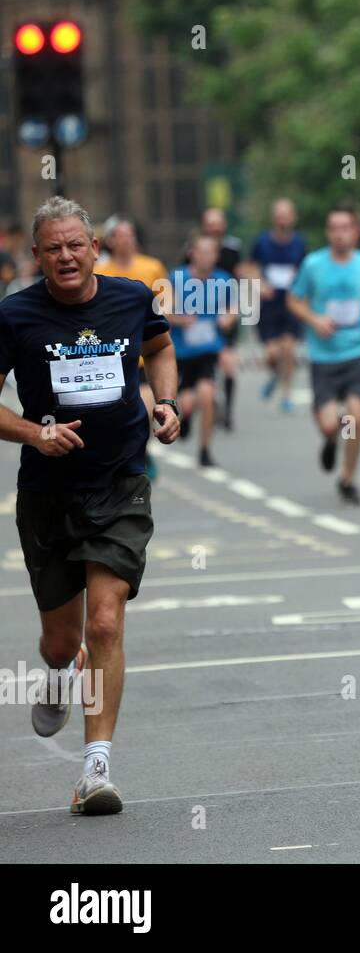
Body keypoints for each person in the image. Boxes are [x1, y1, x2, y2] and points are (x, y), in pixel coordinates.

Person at [0, 196, 180, 814]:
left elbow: (158, 348)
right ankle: (56, 670)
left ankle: (94, 772)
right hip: (48, 493)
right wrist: (35, 433)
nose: (66, 256)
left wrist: (167, 403)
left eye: (76, 244)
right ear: (37, 257)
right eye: (53, 248)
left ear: (95, 248)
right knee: (61, 640)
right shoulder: (16, 315)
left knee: (105, 622)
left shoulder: (132, 298)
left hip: (120, 482)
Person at [288, 204, 360, 505]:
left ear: (355, 231)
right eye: (334, 228)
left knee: (356, 416)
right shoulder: (313, 264)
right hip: (323, 356)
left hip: (357, 351)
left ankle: (347, 478)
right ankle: (331, 439)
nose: (339, 234)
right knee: (331, 424)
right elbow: (293, 300)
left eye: (345, 228)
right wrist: (315, 320)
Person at [95, 216, 170, 480]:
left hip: (142, 356)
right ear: (111, 241)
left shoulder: (152, 267)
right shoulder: (101, 270)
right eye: (120, 235)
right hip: (111, 357)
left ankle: (143, 452)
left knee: (147, 405)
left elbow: (165, 305)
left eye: (130, 235)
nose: (126, 240)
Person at [169, 235, 237, 467]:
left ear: (216, 256)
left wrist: (229, 317)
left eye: (210, 252)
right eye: (201, 251)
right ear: (192, 253)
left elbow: (234, 306)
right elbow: (162, 309)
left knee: (207, 395)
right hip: (183, 352)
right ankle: (185, 415)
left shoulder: (224, 280)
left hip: (209, 349)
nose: (205, 256)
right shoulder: (177, 278)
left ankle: (205, 449)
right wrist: (179, 319)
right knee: (187, 401)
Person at [250, 199, 308, 413]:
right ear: (274, 218)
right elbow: (251, 267)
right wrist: (261, 285)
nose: (283, 219)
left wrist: (303, 294)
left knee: (289, 350)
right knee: (273, 354)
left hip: (291, 304)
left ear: (293, 218)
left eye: (286, 214)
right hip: (269, 305)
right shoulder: (262, 241)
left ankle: (287, 394)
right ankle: (275, 373)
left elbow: (305, 270)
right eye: (279, 215)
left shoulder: (300, 243)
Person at [195, 208, 245, 431]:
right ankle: (206, 400)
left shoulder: (234, 248)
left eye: (218, 223)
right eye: (210, 223)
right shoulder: (193, 249)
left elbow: (240, 275)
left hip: (225, 309)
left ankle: (228, 412)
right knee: (205, 361)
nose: (215, 227)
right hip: (199, 314)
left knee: (229, 364)